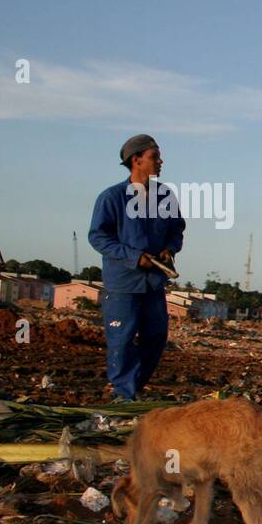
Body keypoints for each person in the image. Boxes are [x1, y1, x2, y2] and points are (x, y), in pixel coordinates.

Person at [87, 134, 185, 402]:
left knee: (156, 337)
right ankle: (124, 394)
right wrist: (133, 257)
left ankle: (134, 388)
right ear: (136, 160)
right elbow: (98, 237)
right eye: (155, 156)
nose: (160, 161)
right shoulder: (111, 198)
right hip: (122, 284)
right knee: (122, 340)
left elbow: (177, 229)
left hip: (153, 283)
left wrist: (170, 248)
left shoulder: (164, 196)